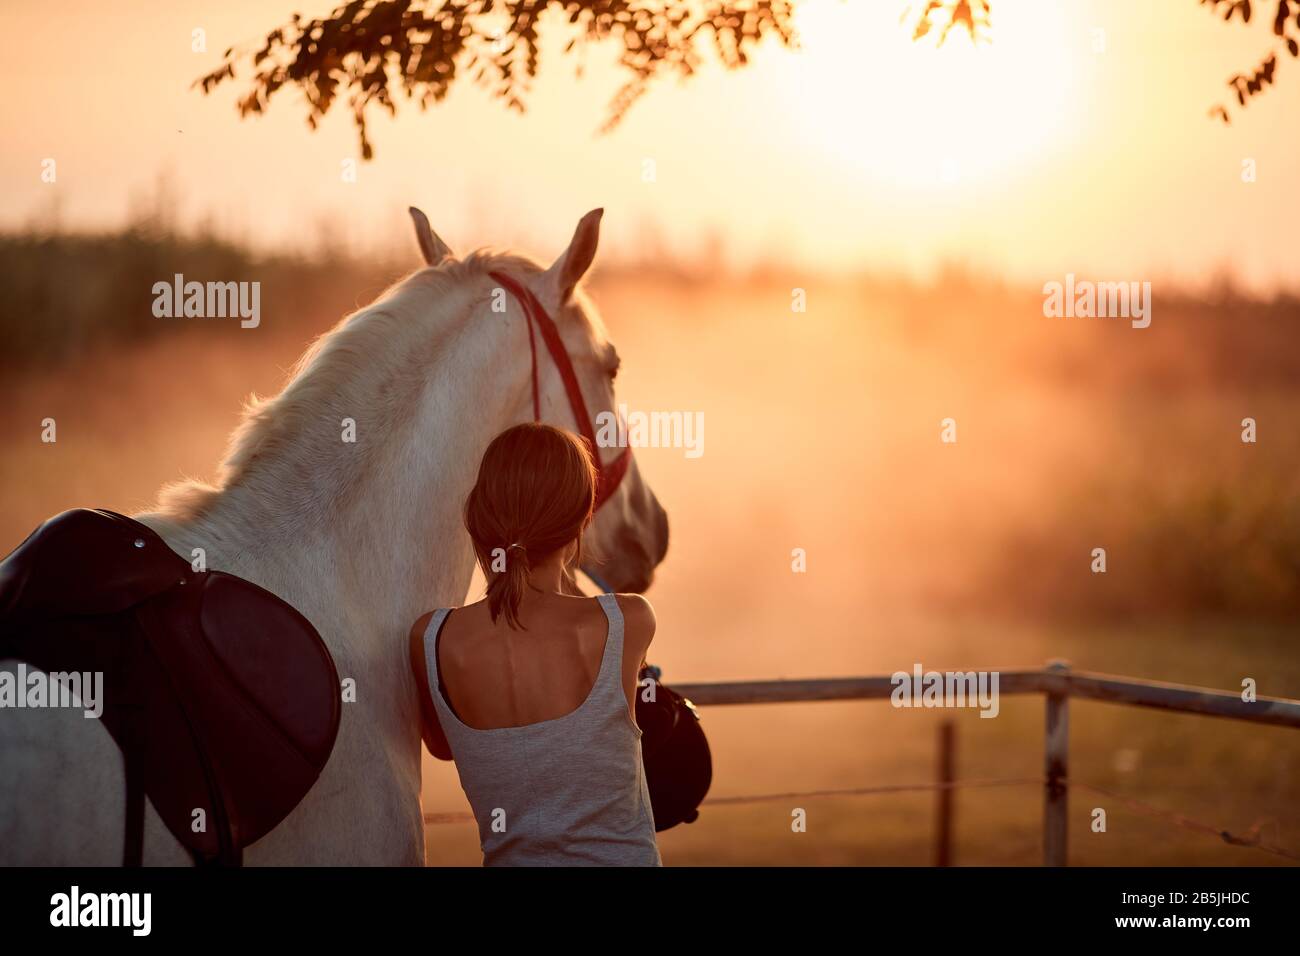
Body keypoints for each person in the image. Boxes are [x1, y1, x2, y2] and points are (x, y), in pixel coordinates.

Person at [409, 422, 661, 866]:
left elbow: (444, 747)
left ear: (478, 519)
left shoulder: (431, 640)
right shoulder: (626, 622)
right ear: (581, 520)